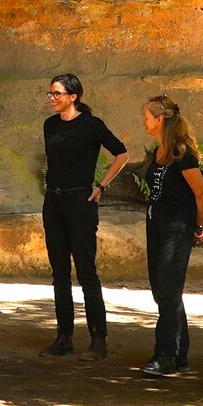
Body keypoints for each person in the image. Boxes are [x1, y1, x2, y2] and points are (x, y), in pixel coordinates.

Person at [37, 72, 129, 360]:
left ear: (73, 96)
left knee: (86, 271)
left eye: (57, 94)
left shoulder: (91, 125)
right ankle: (64, 336)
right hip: (53, 201)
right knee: (59, 273)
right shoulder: (50, 125)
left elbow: (122, 153)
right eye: (50, 93)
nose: (52, 98)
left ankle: (98, 338)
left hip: (81, 200)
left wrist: (101, 186)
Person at [137, 94, 203, 377]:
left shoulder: (182, 153)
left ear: (160, 120)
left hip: (177, 227)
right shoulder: (158, 152)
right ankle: (180, 354)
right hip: (155, 224)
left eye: (146, 116)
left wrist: (198, 228)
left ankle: (164, 355)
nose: (143, 121)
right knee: (161, 290)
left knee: (167, 290)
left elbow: (200, 194)